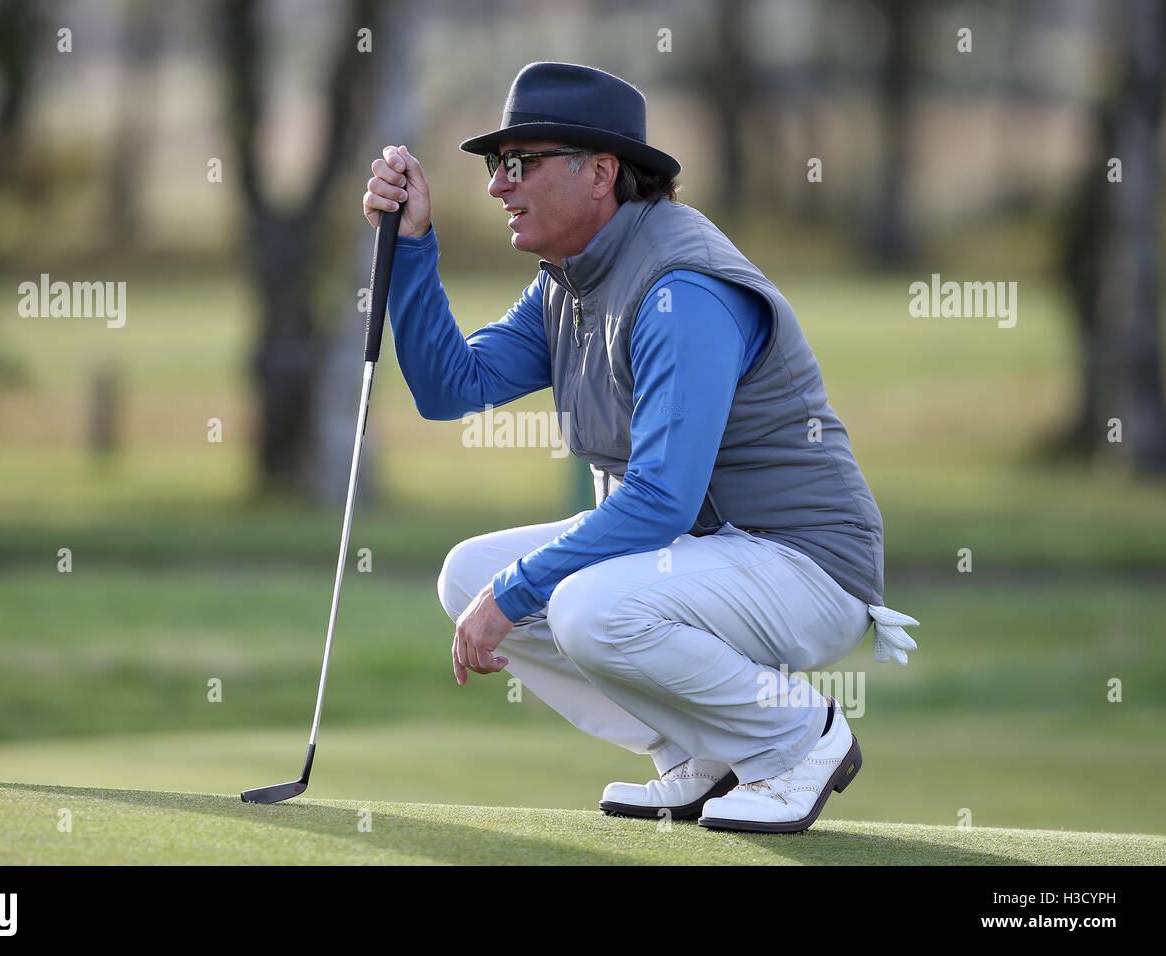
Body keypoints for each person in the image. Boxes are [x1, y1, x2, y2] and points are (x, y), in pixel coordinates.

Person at [362, 61, 919, 833]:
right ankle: (702, 753)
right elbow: (451, 386)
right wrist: (414, 245)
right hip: (703, 557)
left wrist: (514, 597)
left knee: (583, 605)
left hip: (803, 564)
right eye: (499, 164)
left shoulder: (679, 287)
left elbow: (661, 499)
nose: (498, 186)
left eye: (521, 163)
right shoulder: (570, 282)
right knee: (469, 575)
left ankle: (795, 737)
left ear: (600, 174)